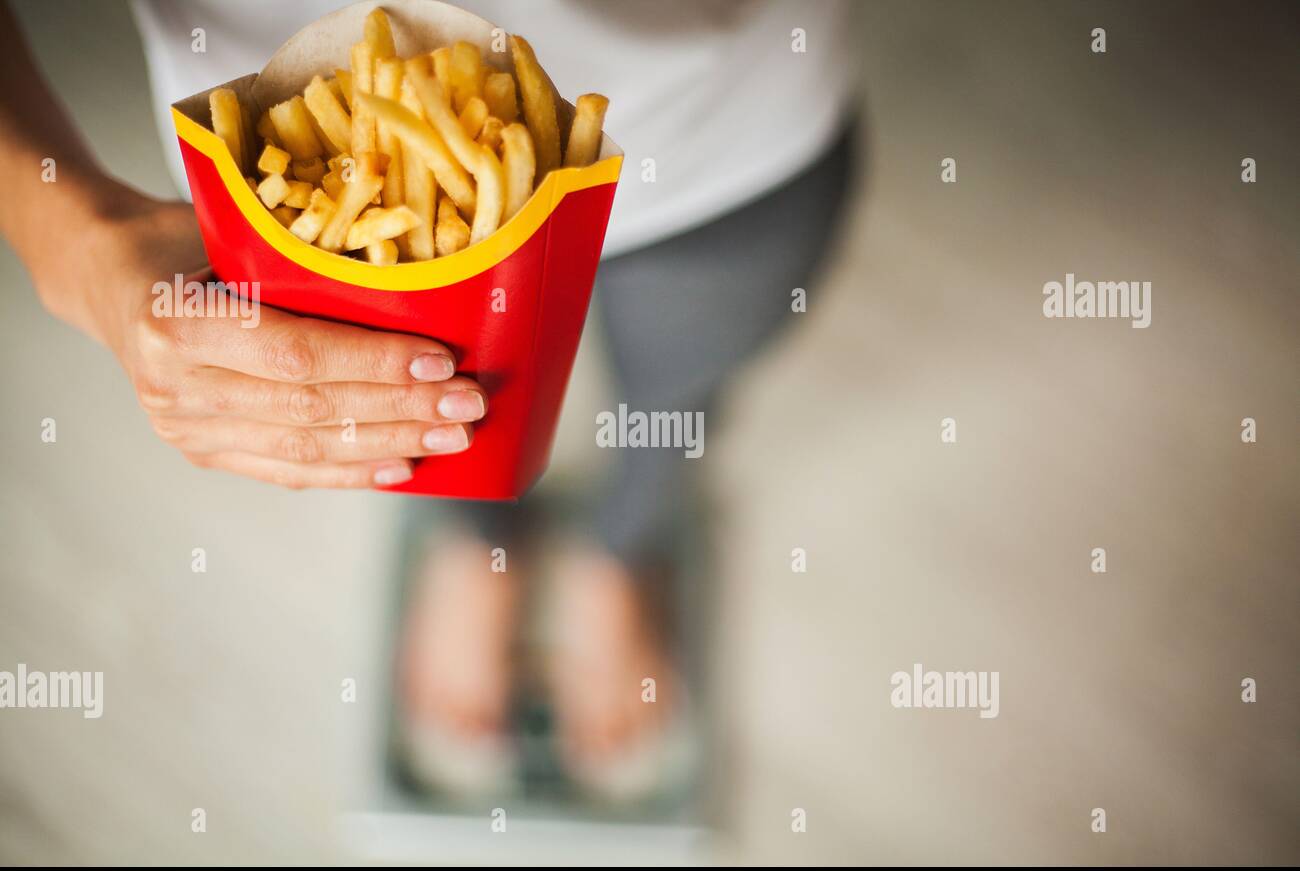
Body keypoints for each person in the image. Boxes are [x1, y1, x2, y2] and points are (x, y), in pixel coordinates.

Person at [1, 0, 857, 798]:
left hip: (726, 126)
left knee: (676, 397)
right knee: (426, 402)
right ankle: (477, 545)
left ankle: (621, 553)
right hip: (308, 180)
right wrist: (73, 242)